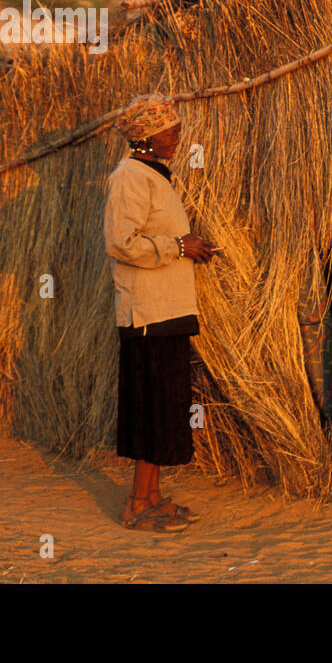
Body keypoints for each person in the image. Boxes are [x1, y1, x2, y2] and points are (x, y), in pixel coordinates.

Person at [104, 94, 218, 532]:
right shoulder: (129, 177)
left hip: (167, 309)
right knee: (151, 409)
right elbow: (120, 243)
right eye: (169, 129)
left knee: (165, 408)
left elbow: (156, 240)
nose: (176, 136)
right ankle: (136, 504)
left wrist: (190, 248)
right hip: (146, 313)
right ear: (147, 136)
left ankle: (151, 496)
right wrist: (177, 246)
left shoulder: (154, 177)